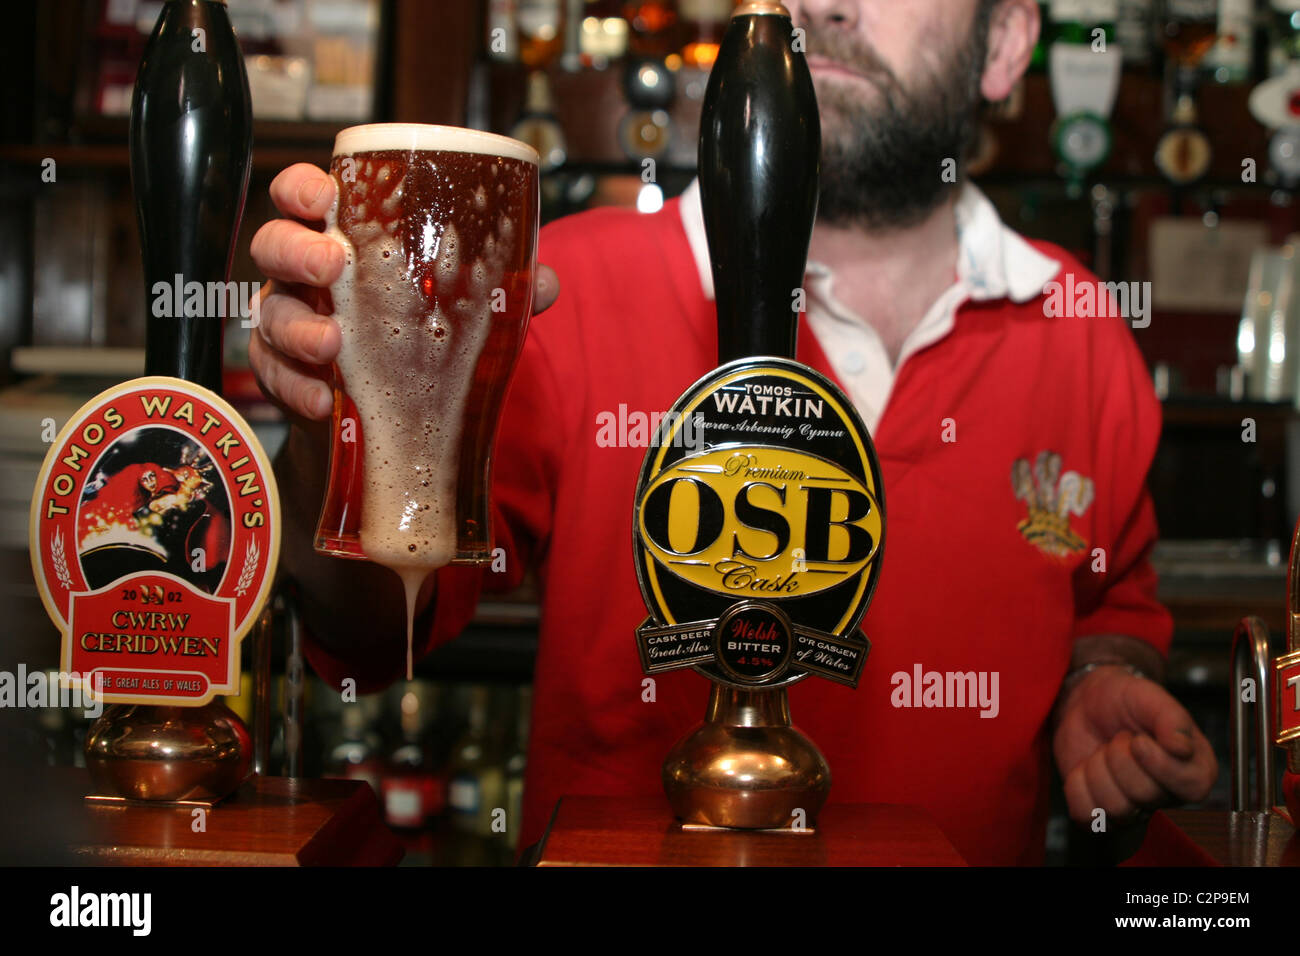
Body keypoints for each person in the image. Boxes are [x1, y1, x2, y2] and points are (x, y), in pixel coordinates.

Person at [248, 0, 1217, 865]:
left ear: (1004, 44)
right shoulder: (557, 291)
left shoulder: (1078, 327)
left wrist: (1101, 684)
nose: (824, 6)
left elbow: (1108, 609)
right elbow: (374, 629)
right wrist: (329, 424)